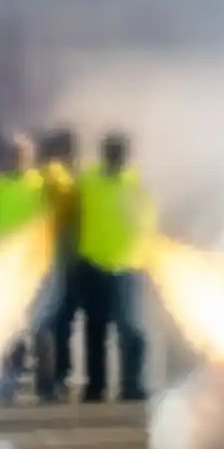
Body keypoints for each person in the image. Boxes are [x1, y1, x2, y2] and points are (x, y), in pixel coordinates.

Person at [77, 132, 153, 402]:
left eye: (119, 151)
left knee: (131, 329)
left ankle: (131, 384)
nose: (116, 156)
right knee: (95, 330)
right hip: (93, 265)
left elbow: (147, 222)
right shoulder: (87, 182)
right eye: (111, 150)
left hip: (128, 267)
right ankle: (95, 387)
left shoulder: (136, 183)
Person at [0, 134, 53, 402]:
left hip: (35, 264)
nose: (17, 158)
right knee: (8, 326)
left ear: (31, 157)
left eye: (22, 154)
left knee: (41, 326)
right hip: (5, 267)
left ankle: (46, 384)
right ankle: (10, 382)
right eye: (13, 154)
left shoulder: (41, 186)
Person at [40, 129, 81, 401]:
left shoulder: (62, 178)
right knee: (54, 323)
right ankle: (53, 379)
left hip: (60, 259)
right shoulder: (57, 178)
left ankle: (55, 379)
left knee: (55, 323)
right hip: (55, 260)